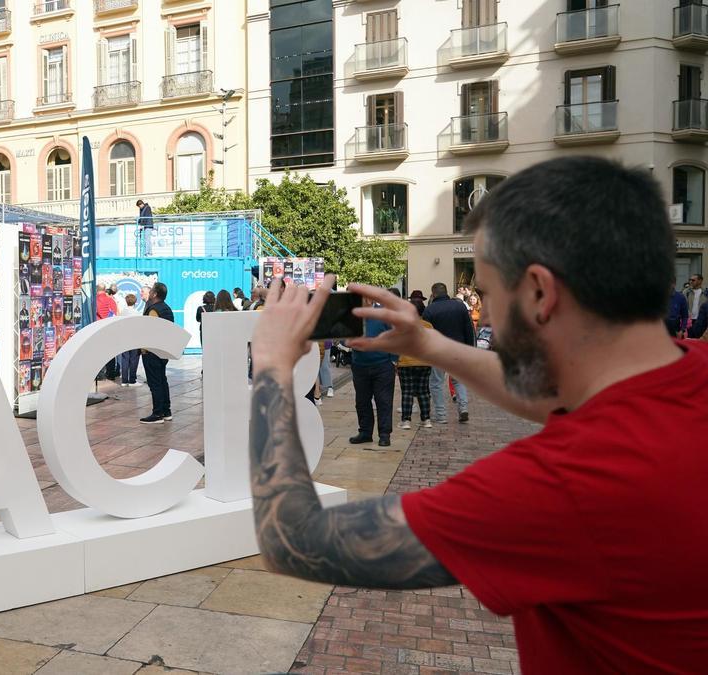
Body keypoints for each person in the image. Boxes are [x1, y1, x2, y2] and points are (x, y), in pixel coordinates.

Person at [246, 156, 708, 672]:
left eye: (486, 293)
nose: (483, 314)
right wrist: (429, 344)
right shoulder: (689, 372)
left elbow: (291, 540)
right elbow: (558, 397)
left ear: (539, 292)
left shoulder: (571, 483)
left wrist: (271, 367)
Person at [422, 282, 475, 424]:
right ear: (446, 292)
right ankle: (463, 408)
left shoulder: (429, 310)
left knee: (436, 383)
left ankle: (441, 415)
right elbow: (469, 329)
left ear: (433, 294)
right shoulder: (459, 306)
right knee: (458, 380)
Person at [348, 295, 397, 446]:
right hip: (360, 365)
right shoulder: (353, 315)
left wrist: (394, 360)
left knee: (383, 401)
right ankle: (365, 432)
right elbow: (343, 336)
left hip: (383, 365)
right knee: (362, 401)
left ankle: (384, 434)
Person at [140, 282, 174, 423]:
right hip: (163, 350)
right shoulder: (167, 308)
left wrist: (144, 349)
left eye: (151, 291)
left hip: (152, 351)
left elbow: (149, 330)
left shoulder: (153, 310)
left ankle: (157, 413)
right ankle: (166, 411)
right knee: (162, 380)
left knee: (155, 383)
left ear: (154, 294)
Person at [397, 299, 433, 429]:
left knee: (407, 391)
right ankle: (426, 419)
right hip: (424, 361)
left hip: (405, 362)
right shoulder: (428, 326)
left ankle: (406, 420)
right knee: (423, 391)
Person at [117, 293, 142, 386]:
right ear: (135, 302)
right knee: (134, 359)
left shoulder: (122, 312)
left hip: (124, 338)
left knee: (124, 359)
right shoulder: (137, 313)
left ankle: (124, 381)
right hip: (134, 338)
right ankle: (132, 380)